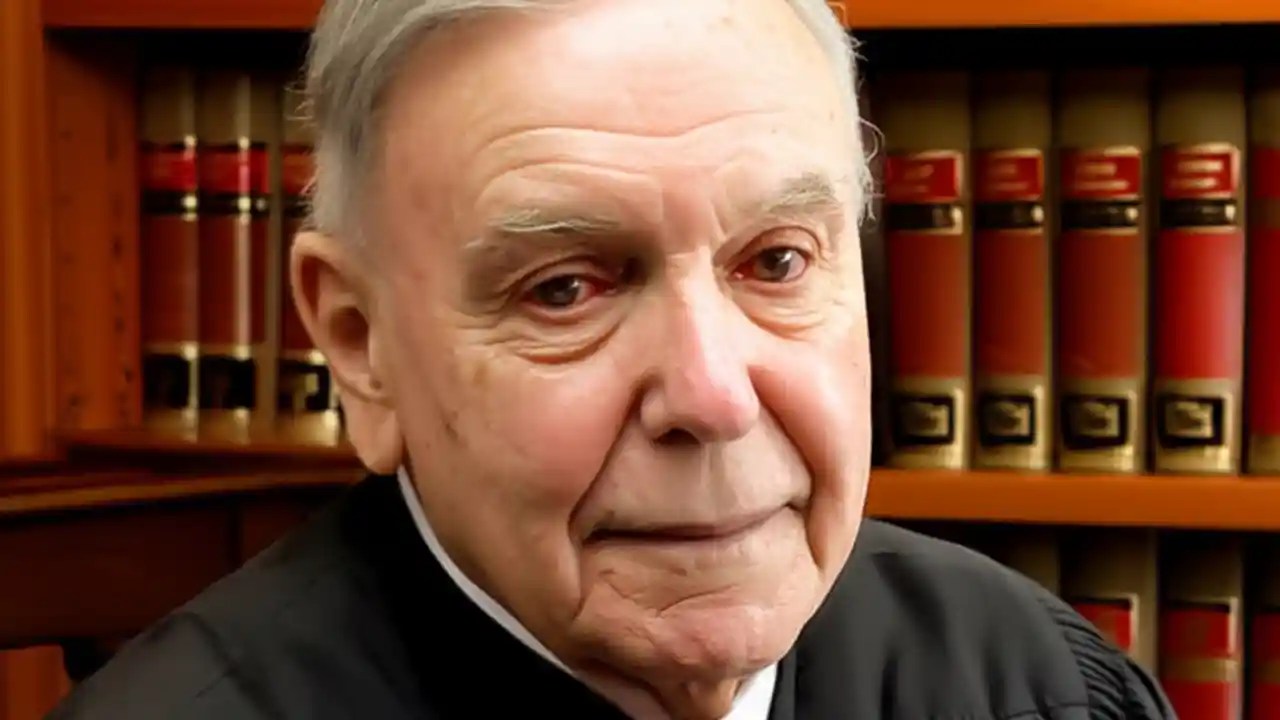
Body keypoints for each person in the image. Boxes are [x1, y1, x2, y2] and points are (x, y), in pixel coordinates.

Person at [50, 1, 1175, 718]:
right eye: (565, 289)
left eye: (775, 261)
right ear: (360, 346)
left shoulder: (1023, 684)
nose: (713, 396)